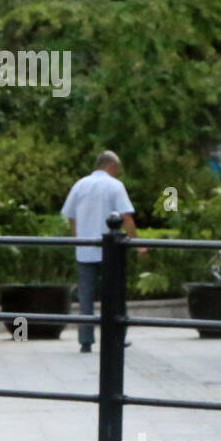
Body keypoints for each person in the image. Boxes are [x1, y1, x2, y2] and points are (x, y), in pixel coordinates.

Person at [61, 151, 142, 353]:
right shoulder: (115, 186)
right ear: (112, 166)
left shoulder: (80, 185)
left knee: (85, 297)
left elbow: (71, 216)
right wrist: (139, 243)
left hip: (85, 250)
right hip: (110, 252)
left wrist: (77, 238)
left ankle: (85, 340)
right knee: (114, 295)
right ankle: (117, 336)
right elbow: (126, 217)